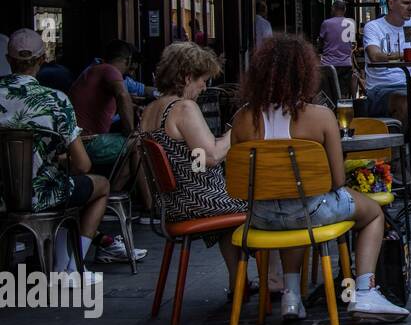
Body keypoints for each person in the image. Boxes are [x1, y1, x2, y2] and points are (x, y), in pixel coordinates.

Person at [231, 35, 408, 322]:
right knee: (373, 213)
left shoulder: (242, 118)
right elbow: (337, 181)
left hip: (260, 217)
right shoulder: (321, 116)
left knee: (292, 202)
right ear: (305, 72)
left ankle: (290, 296)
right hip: (309, 211)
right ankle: (364, 291)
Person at [0, 29, 113, 281]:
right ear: (41, 60)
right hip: (42, 195)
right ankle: (74, 268)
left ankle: (59, 263)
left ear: (9, 60)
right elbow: (82, 165)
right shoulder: (55, 100)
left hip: (2, 196)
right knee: (100, 185)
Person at [139, 42, 247, 288]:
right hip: (199, 201)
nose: (204, 87)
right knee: (268, 202)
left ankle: (238, 281)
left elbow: (194, 157)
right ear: (188, 77)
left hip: (172, 203)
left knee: (239, 203)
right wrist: (238, 126)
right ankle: (275, 281)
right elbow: (211, 157)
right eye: (203, 80)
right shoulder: (184, 108)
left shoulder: (150, 111)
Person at [69, 40, 138, 174]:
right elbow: (123, 96)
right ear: (127, 60)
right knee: (139, 143)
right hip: (88, 143)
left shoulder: (93, 69)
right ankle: (148, 195)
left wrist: (133, 106)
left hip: (77, 143)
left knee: (131, 159)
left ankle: (113, 191)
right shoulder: (109, 69)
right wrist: (129, 130)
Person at [318, 0, 356, 96]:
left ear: (333, 9)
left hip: (329, 64)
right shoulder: (350, 23)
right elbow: (350, 44)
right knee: (342, 94)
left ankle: (330, 110)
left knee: (328, 93)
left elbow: (321, 42)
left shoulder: (326, 23)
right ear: (345, 10)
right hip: (346, 64)